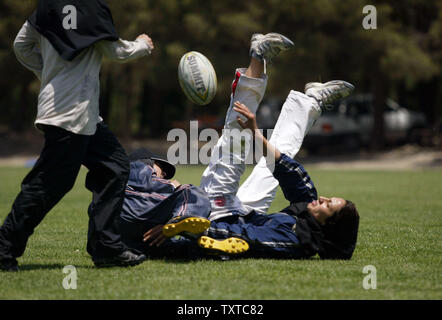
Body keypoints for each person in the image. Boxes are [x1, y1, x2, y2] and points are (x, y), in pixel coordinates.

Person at [143, 32, 360, 260]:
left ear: (329, 225)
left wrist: (183, 228)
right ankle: (312, 101)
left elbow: (246, 237)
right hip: (244, 212)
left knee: (235, 140)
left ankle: (258, 55)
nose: (324, 199)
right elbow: (294, 175)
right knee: (279, 160)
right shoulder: (309, 215)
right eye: (330, 199)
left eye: (329, 206)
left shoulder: (295, 242)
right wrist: (257, 133)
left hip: (216, 213)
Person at [0, 0, 153, 271]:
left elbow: (20, 45)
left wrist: (48, 73)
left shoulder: (47, 7)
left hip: (78, 113)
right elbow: (114, 50)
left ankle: (106, 247)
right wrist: (142, 44)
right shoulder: (91, 7)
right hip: (70, 116)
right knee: (46, 186)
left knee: (114, 168)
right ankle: (3, 248)